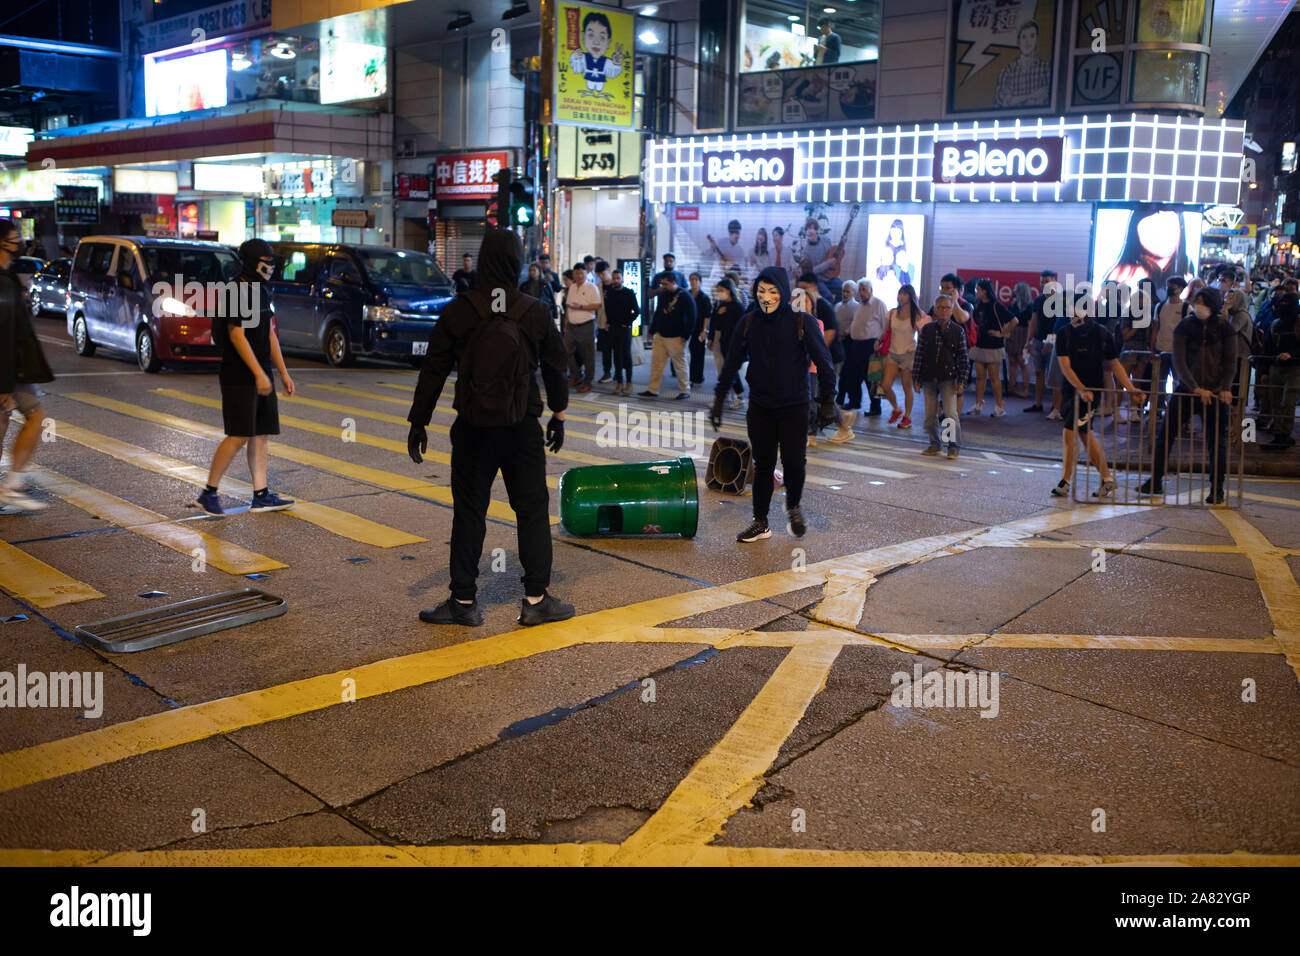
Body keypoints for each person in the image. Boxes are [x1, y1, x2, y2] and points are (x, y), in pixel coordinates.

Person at [406, 229, 573, 627]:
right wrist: (559, 413)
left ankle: (463, 601)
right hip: (521, 428)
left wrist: (419, 420)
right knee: (531, 510)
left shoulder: (460, 309)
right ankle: (535, 600)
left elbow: (434, 369)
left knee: (469, 512)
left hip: (474, 428)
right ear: (516, 262)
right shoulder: (534, 310)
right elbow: (557, 365)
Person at [711, 267, 835, 544]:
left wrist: (828, 400)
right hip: (760, 406)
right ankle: (760, 522)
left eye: (773, 291)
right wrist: (719, 398)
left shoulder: (802, 321)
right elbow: (731, 362)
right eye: (761, 291)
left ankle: (793, 507)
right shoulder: (749, 322)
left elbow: (825, 362)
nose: (766, 297)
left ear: (783, 292)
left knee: (793, 462)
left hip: (794, 406)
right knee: (763, 464)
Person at [197, 239, 296, 517]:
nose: (271, 265)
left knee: (260, 434)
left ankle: (261, 495)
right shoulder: (237, 290)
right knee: (239, 434)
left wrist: (283, 373)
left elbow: (269, 333)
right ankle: (209, 493)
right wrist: (258, 374)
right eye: (266, 259)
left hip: (261, 372)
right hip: (239, 374)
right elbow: (236, 335)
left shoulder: (261, 290)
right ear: (252, 261)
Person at [1137, 287, 1236, 504]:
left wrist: (1225, 387)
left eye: (1202, 301)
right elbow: (1179, 361)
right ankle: (1155, 480)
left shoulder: (1224, 328)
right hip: (1187, 391)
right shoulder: (1185, 325)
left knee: (1216, 442)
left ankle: (1217, 489)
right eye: (1196, 300)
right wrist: (1194, 387)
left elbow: (1230, 360)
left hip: (1216, 393)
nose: (1197, 305)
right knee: (1165, 435)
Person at [1051, 292, 1145, 500]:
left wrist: (1131, 389)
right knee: (1080, 434)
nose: (1071, 312)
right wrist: (1079, 388)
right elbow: (1065, 367)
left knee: (1076, 433)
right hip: (1072, 392)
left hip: (1091, 393)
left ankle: (1068, 481)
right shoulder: (1064, 334)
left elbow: (1114, 364)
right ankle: (1105, 479)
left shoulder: (1101, 334)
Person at [0, 218, 54, 512]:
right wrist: (5, 385)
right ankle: (12, 484)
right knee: (35, 417)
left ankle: (11, 484)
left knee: (4, 421)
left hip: (13, 368)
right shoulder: (2, 281)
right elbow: (4, 333)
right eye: (14, 236)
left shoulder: (7, 277)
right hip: (10, 370)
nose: (19, 240)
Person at [912, 294, 968, 460]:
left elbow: (963, 358)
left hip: (948, 378)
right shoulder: (927, 329)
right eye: (940, 307)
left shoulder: (958, 331)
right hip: (928, 377)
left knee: (950, 413)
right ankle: (934, 443)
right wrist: (916, 378)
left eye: (947, 307)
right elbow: (919, 355)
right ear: (935, 310)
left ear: (951, 310)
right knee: (930, 415)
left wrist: (962, 381)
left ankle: (953, 445)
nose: (943, 311)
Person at [640, 271, 694, 399]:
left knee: (680, 364)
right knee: (656, 363)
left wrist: (686, 335)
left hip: (677, 336)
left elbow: (692, 316)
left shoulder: (685, 296)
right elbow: (658, 312)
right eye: (662, 284)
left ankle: (685, 390)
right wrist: (652, 331)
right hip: (660, 335)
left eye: (665, 284)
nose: (662, 286)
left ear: (674, 282)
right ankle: (653, 389)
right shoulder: (663, 294)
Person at [969, 278, 1016, 416]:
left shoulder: (996, 305)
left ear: (984, 291)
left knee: (994, 377)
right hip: (979, 344)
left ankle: (998, 407)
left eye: (978, 289)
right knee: (979, 377)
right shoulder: (977, 304)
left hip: (993, 345)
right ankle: (978, 405)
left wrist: (1001, 334)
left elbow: (1014, 320)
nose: (976, 292)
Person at [842, 278, 886, 415]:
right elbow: (857, 323)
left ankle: (876, 407)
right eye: (860, 289)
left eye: (864, 289)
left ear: (871, 290)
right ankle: (854, 401)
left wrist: (880, 343)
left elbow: (886, 326)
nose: (862, 292)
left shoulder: (879, 304)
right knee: (852, 374)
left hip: (871, 345)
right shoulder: (860, 305)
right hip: (856, 345)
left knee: (872, 378)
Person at [879, 284, 922, 428]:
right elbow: (886, 332)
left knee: (906, 387)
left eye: (904, 294)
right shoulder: (892, 313)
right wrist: (877, 341)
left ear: (910, 296)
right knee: (885, 385)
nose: (901, 296)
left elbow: (922, 335)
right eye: (899, 294)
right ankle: (896, 409)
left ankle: (907, 417)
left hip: (908, 354)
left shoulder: (917, 315)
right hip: (893, 352)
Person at [1262, 292, 1300, 451]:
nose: (1283, 307)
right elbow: (1268, 348)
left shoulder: (1297, 324)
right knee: (1276, 402)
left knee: (1288, 402)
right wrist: (1265, 371)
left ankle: (1284, 434)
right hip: (1276, 367)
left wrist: (1292, 355)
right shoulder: (1275, 324)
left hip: (1295, 368)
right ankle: (1279, 434)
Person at [994, 19, 1051, 108]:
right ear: (1018, 41)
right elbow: (1004, 103)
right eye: (1024, 37)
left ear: (1037, 39)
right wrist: (1032, 96)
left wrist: (1016, 100)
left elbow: (1047, 101)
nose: (1028, 41)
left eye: (1032, 36)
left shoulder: (1046, 68)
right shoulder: (1008, 71)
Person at [563, 261, 601, 393]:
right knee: (565, 351)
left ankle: (588, 381)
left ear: (586, 273)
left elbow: (597, 305)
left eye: (581, 273)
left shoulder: (592, 287)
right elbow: (568, 306)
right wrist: (566, 323)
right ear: (573, 274)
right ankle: (576, 375)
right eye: (577, 273)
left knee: (588, 355)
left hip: (587, 325)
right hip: (572, 326)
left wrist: (581, 307)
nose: (579, 275)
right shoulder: (572, 287)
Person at [708, 278, 745, 409]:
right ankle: (725, 396)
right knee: (723, 369)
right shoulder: (720, 304)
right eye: (718, 290)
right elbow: (714, 322)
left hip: (731, 342)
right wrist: (711, 338)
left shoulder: (737, 306)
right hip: (720, 340)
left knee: (730, 369)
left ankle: (739, 397)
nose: (719, 293)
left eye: (721, 290)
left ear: (729, 291)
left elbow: (741, 327)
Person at [1023, 270, 1057, 413]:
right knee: (1039, 372)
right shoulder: (1038, 300)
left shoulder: (1060, 300)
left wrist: (1051, 342)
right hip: (1038, 340)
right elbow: (1034, 321)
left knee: (1054, 375)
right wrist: (1028, 340)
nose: (1043, 284)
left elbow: (1060, 323)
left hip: (1053, 341)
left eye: (1046, 281)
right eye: (1042, 281)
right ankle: (1038, 403)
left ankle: (1056, 406)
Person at [604, 269, 639, 396]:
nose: (616, 280)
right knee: (616, 355)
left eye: (618, 278)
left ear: (622, 279)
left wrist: (628, 322)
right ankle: (619, 382)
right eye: (614, 278)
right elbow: (608, 309)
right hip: (613, 328)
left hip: (625, 329)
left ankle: (629, 382)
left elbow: (637, 311)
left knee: (626, 355)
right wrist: (608, 322)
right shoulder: (610, 293)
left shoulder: (629, 293)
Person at [1007, 281, 1033, 398]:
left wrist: (1029, 340)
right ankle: (1011, 387)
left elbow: (1030, 323)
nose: (1013, 290)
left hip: (1024, 333)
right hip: (1013, 333)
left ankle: (1025, 388)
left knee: (1023, 361)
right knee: (1012, 360)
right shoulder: (1012, 305)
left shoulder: (1029, 307)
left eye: (1016, 289)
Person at [687, 272, 712, 386]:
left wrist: (704, 330)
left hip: (699, 328)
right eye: (692, 279)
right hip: (687, 328)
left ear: (700, 282)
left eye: (696, 279)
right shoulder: (686, 294)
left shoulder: (704, 297)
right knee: (690, 351)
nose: (693, 281)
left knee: (698, 353)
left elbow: (707, 316)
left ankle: (696, 377)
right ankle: (690, 376)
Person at [594, 259, 614, 384]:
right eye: (599, 274)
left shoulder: (616, 285)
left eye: (603, 273)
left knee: (617, 350)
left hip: (615, 324)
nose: (602, 276)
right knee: (605, 350)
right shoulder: (598, 287)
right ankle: (607, 373)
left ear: (609, 271)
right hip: (602, 322)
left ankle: (618, 374)